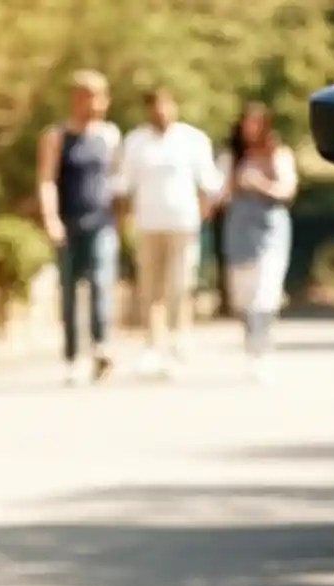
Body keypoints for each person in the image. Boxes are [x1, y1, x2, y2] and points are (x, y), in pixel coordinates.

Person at [116, 87, 222, 378]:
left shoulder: (193, 140)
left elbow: (210, 183)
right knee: (150, 288)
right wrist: (122, 222)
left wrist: (205, 212)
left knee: (179, 284)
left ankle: (178, 341)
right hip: (148, 223)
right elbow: (124, 186)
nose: (161, 112)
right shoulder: (136, 142)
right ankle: (152, 346)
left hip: (183, 223)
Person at [37, 69, 122, 386]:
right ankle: (73, 356)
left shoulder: (109, 136)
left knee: (102, 283)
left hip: (101, 222)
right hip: (69, 221)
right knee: (70, 290)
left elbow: (116, 180)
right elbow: (46, 180)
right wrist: (51, 219)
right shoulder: (56, 136)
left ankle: (102, 346)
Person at [218, 102, 297, 381]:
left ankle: (262, 347)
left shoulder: (279, 154)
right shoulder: (232, 156)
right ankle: (251, 343)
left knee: (265, 291)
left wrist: (259, 183)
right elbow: (221, 194)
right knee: (243, 294)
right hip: (239, 229)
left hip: (270, 228)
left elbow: (287, 190)